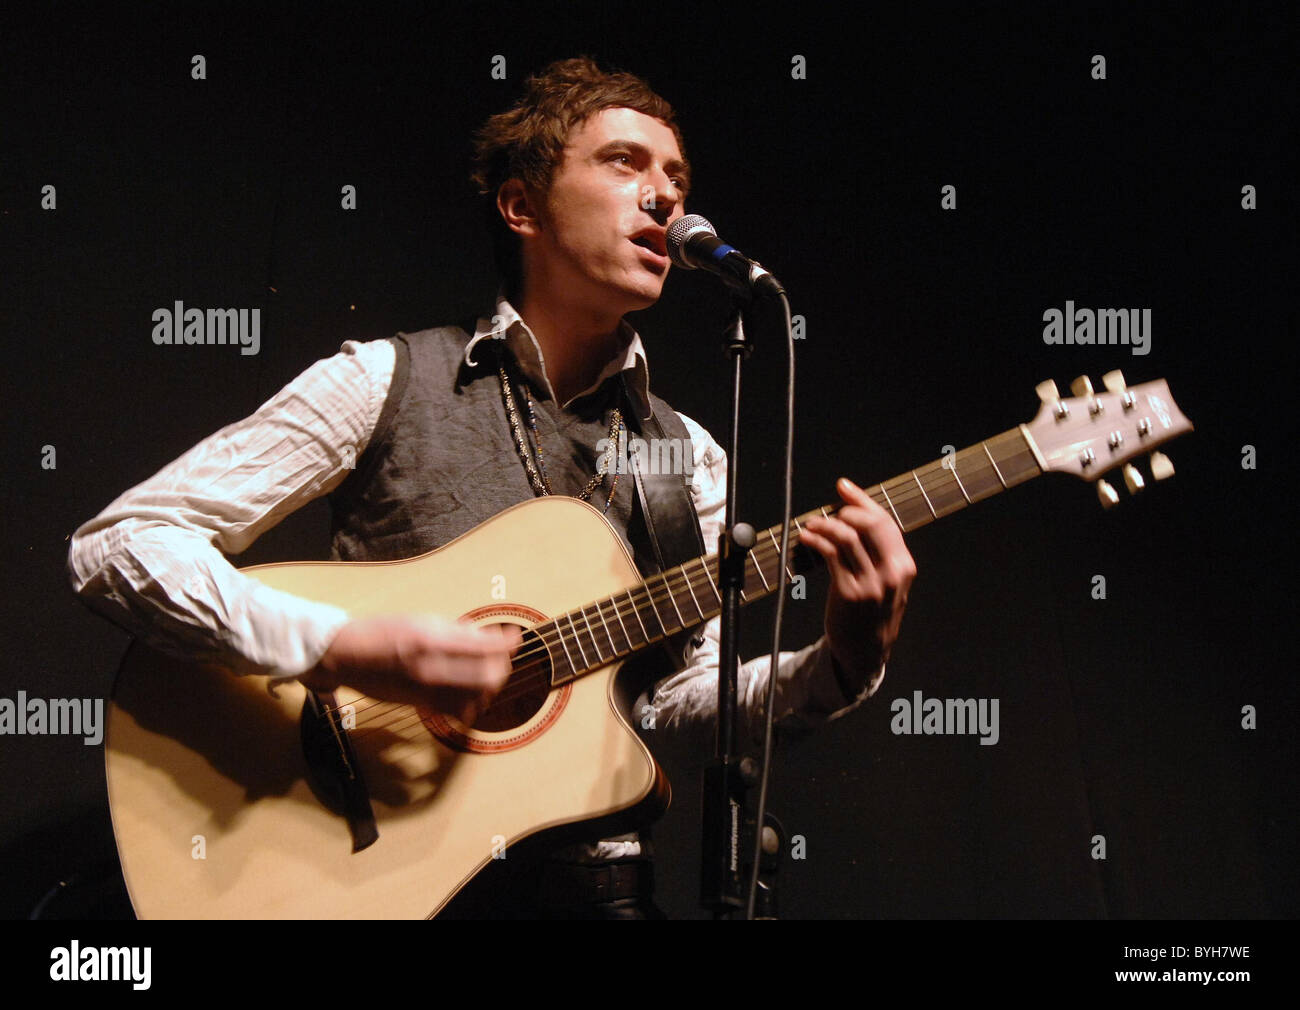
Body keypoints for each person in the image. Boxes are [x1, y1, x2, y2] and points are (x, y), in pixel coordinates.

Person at [67, 56, 916, 919]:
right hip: (386, 874)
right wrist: (339, 648)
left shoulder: (685, 454)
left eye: (676, 176)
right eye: (624, 163)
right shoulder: (382, 381)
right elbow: (117, 547)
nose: (666, 197)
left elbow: (669, 711)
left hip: (598, 890)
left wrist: (843, 662)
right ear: (521, 207)